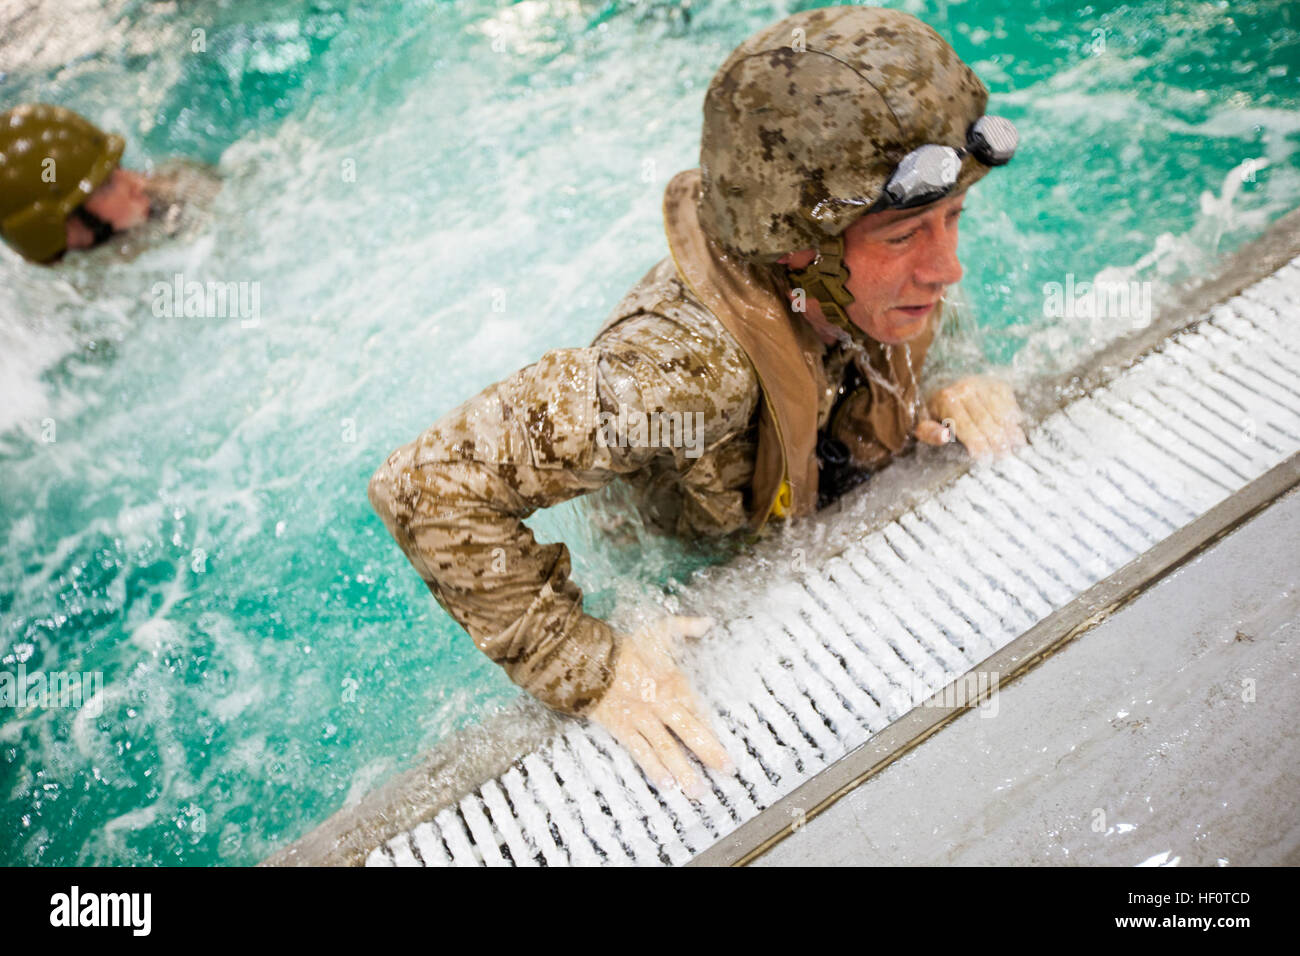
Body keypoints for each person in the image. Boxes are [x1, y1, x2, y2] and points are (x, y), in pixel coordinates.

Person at [367, 6, 1027, 799]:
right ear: (798, 250)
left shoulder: (858, 275)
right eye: (906, 237)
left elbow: (900, 330)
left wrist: (951, 378)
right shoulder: (681, 370)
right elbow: (425, 482)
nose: (947, 267)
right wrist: (592, 666)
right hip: (684, 567)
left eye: (954, 219)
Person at [0, 103, 219, 264]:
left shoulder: (170, 196)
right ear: (63, 229)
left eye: (117, 168)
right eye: (106, 185)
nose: (137, 182)